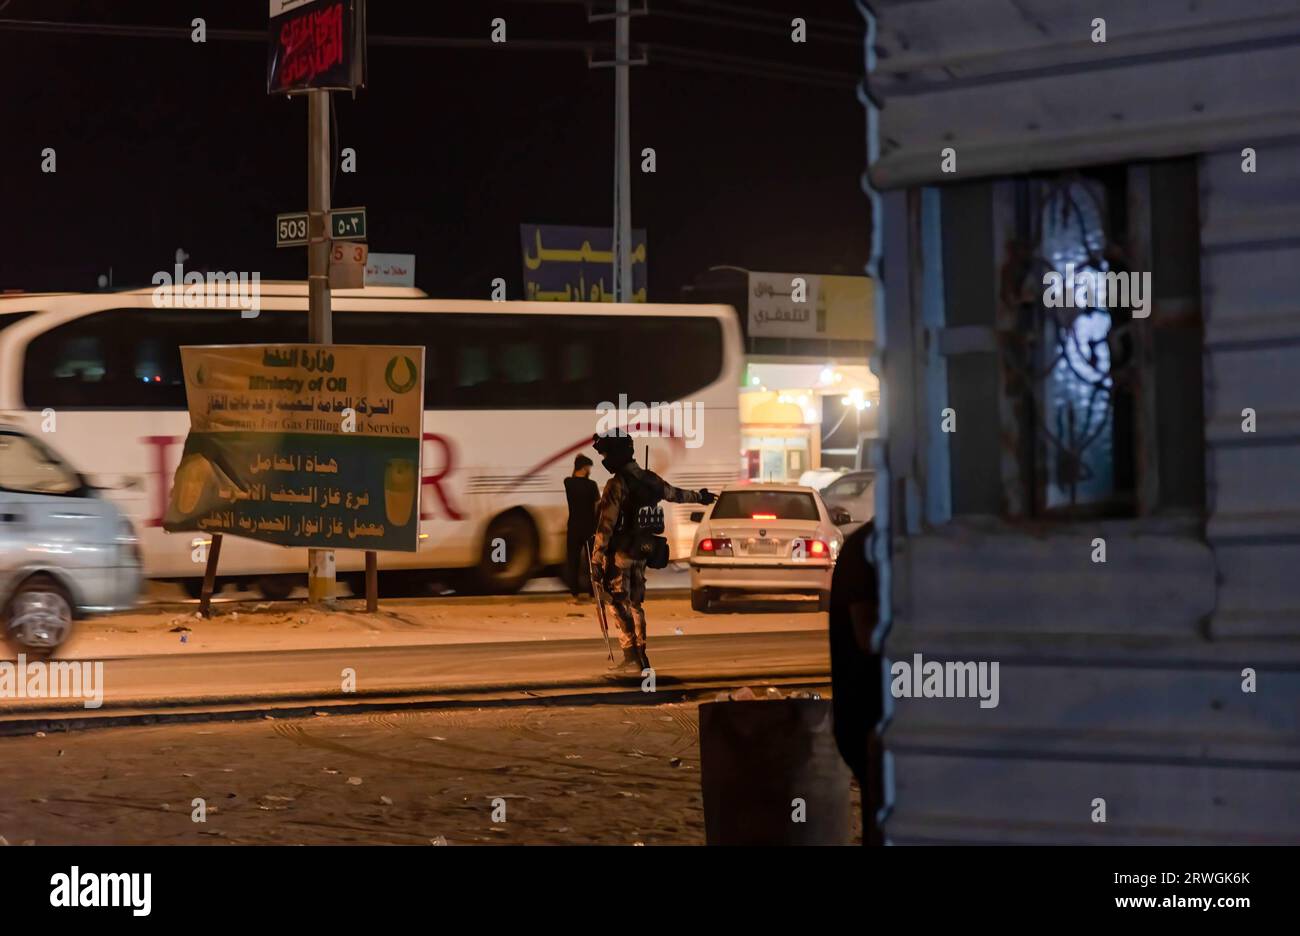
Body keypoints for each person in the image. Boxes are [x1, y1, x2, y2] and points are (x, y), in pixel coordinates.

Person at [589, 431, 716, 674]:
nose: (604, 459)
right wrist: (701, 497)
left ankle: (631, 657)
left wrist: (596, 558)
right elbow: (676, 494)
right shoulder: (650, 479)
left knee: (618, 602)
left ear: (615, 455)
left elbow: (606, 525)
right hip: (644, 551)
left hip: (621, 552)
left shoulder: (617, 484)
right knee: (636, 603)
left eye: (605, 453)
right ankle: (642, 657)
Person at [828, 519, 886, 845]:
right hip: (869, 714)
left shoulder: (871, 544)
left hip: (872, 715)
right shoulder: (869, 549)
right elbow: (868, 634)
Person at [563, 454, 599, 598]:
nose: (589, 471)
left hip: (573, 527)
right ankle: (592, 592)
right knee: (592, 562)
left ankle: (574, 593)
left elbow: (572, 477)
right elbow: (598, 505)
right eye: (589, 468)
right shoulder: (592, 485)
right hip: (589, 527)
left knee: (573, 561)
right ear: (584, 468)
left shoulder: (568, 483)